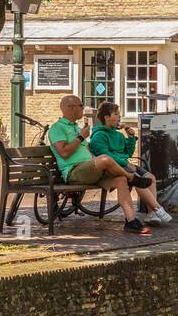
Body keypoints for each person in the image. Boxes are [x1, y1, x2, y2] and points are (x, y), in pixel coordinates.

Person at [47, 95, 158, 234]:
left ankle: (131, 221)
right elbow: (63, 152)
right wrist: (81, 137)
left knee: (120, 179)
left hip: (91, 169)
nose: (84, 108)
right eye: (81, 105)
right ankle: (132, 178)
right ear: (71, 108)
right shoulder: (57, 128)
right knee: (105, 159)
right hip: (74, 171)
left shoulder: (77, 127)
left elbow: (86, 150)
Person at [89, 101, 172, 225]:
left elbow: (128, 152)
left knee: (150, 178)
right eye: (116, 114)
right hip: (115, 168)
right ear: (106, 117)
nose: (119, 117)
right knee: (138, 180)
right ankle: (158, 208)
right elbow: (106, 156)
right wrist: (125, 163)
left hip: (125, 164)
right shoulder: (98, 136)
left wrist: (131, 138)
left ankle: (151, 214)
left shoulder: (118, 135)